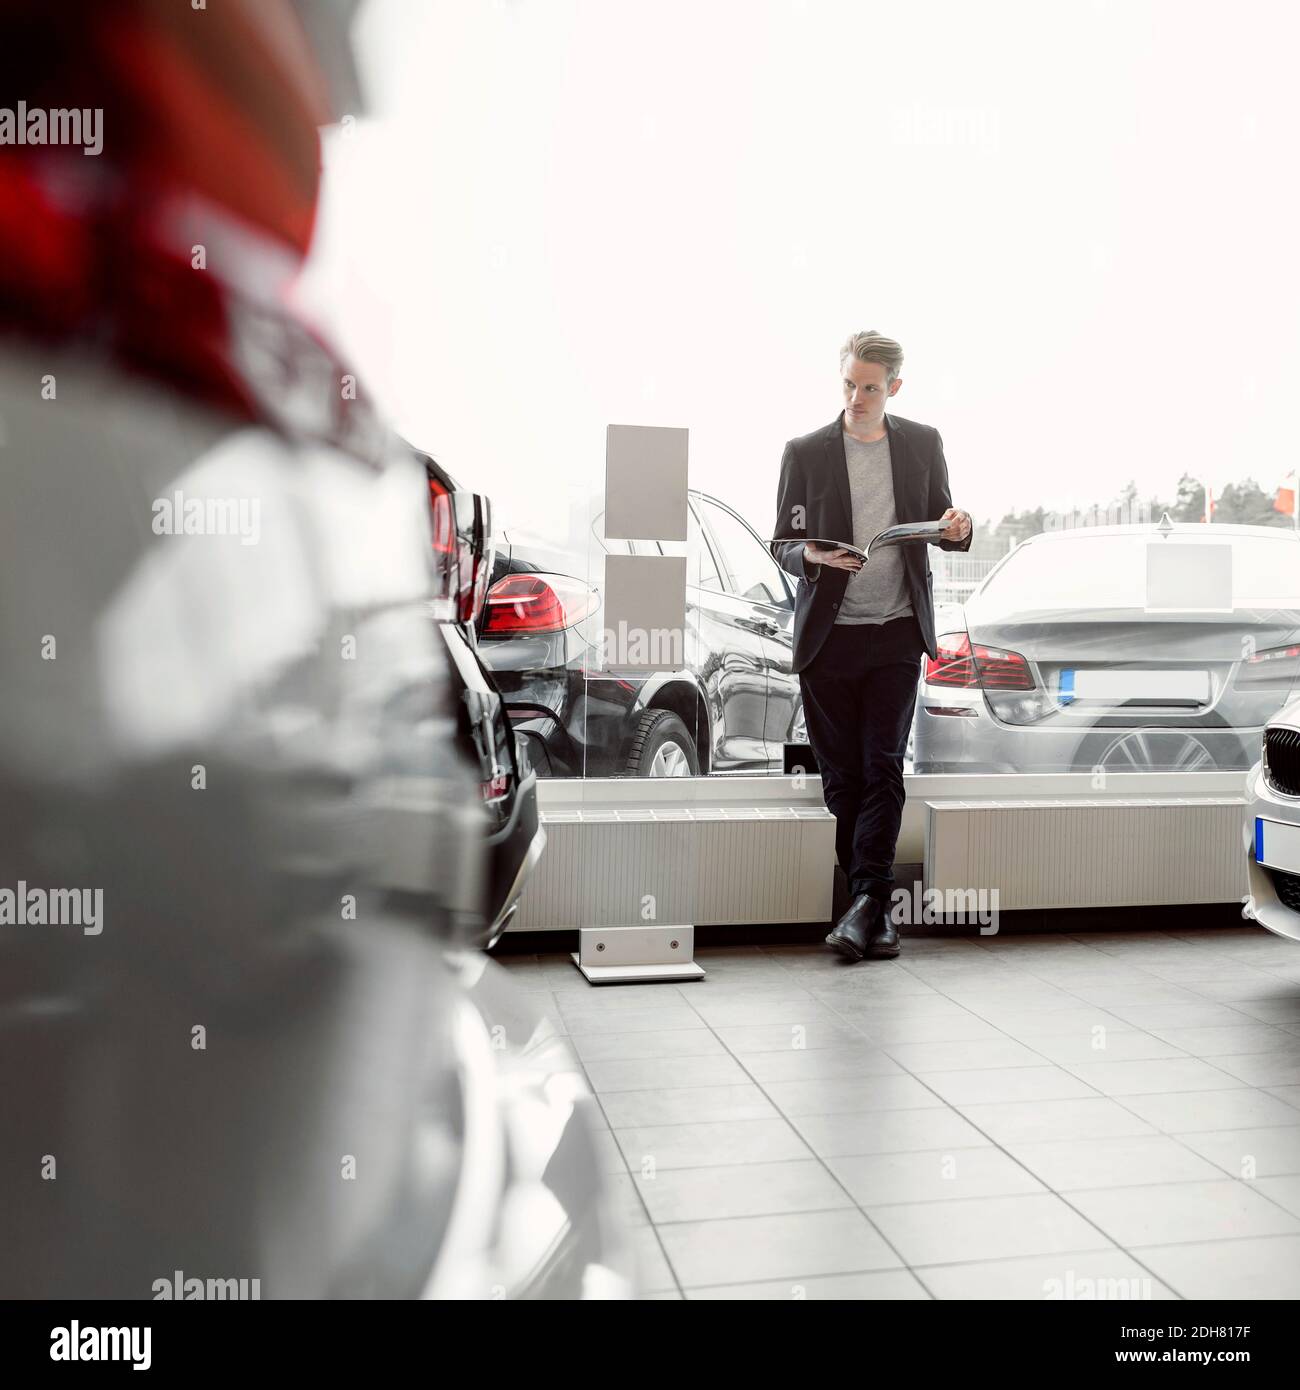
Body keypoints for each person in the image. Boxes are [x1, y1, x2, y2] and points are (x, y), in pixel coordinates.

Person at [771, 330, 972, 961]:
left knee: (883, 765)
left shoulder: (922, 444)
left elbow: (943, 523)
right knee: (845, 777)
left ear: (894, 389)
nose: (857, 398)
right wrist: (813, 554)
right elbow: (782, 542)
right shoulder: (804, 451)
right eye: (849, 385)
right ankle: (874, 912)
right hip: (829, 640)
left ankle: (863, 903)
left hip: (894, 631)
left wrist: (959, 529)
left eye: (870, 388)